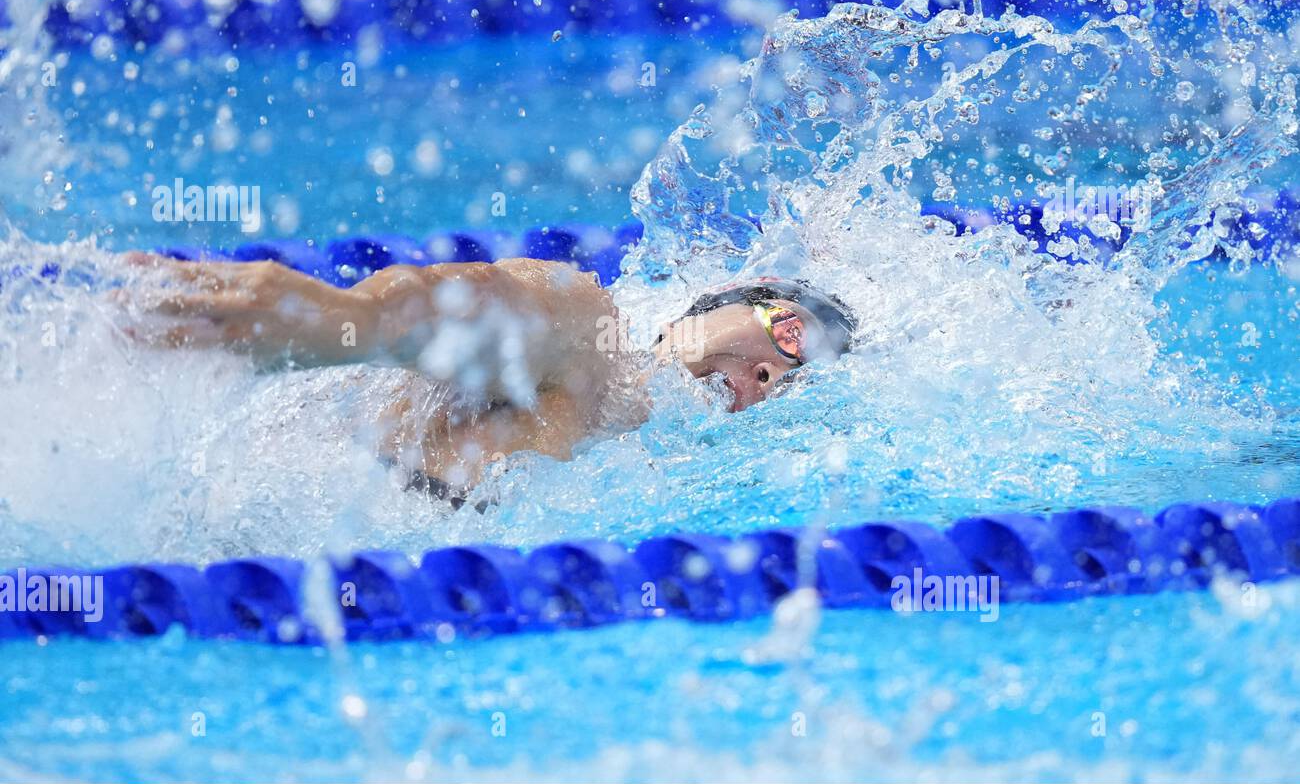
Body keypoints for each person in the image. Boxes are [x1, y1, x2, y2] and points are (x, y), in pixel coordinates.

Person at [117, 252, 857, 505]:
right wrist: (335, 321)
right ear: (743, 293)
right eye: (791, 339)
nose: (766, 375)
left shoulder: (636, 465)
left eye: (789, 387)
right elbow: (457, 301)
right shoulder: (590, 333)